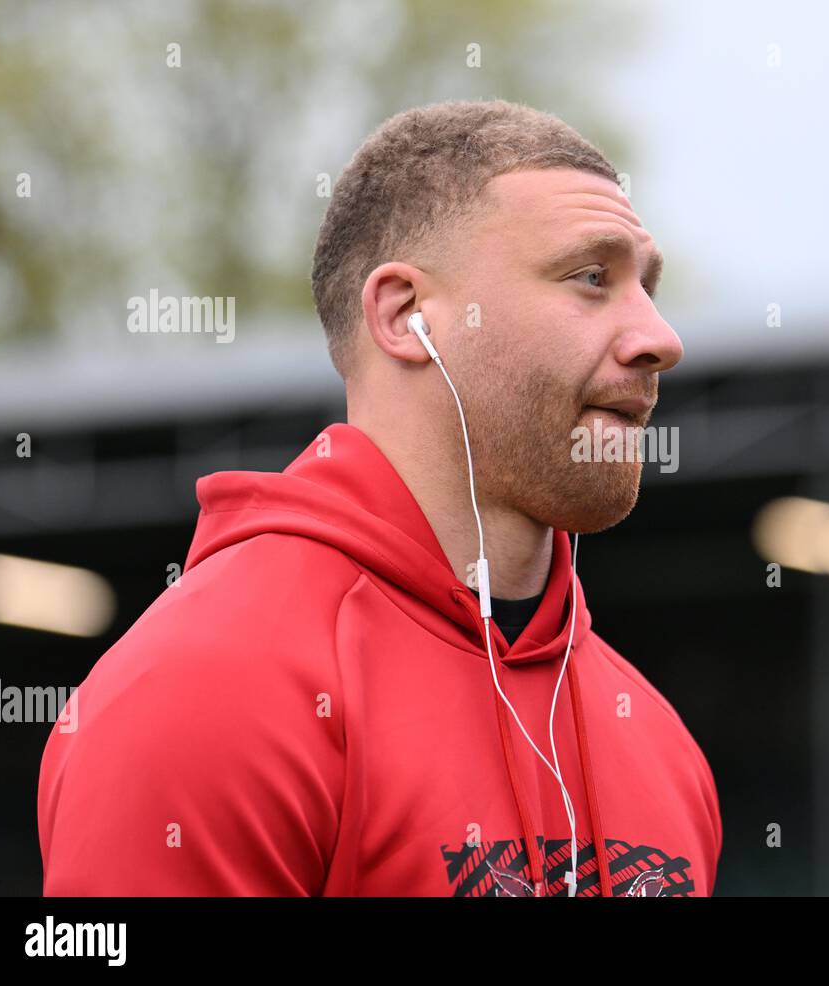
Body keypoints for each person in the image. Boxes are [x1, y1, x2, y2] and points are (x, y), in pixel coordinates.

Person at [37, 98, 722, 897]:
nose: (660, 338)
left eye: (648, 285)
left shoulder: (659, 742)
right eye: (591, 278)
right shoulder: (206, 693)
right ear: (406, 316)